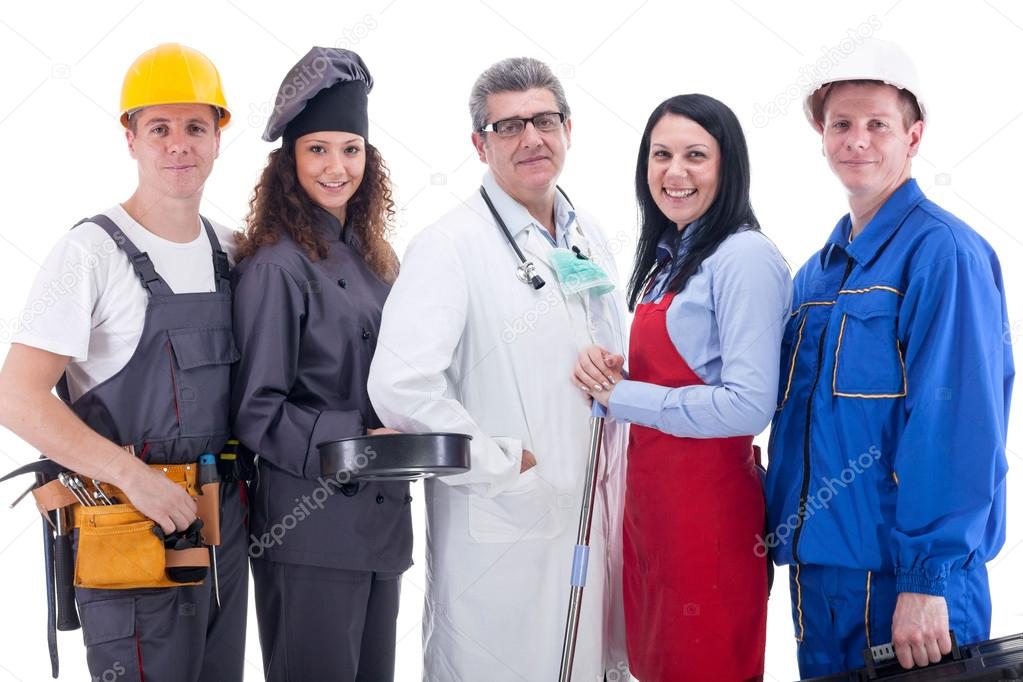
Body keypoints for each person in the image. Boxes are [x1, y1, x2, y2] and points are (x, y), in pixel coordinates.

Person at [367, 57, 629, 680]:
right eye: (508, 126)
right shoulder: (449, 245)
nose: (531, 138)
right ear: (479, 144)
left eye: (544, 120)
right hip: (506, 519)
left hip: (595, 514)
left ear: (569, 128)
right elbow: (400, 385)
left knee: (590, 659)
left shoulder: (589, 234)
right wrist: (504, 465)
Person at [765, 37, 1014, 677]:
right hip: (820, 582)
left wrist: (928, 579)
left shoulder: (944, 255)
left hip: (905, 588)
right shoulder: (816, 277)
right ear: (822, 136)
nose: (857, 141)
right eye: (841, 124)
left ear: (914, 136)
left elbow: (957, 426)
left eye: (878, 124)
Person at [0, 43, 247, 681]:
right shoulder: (89, 254)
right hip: (128, 526)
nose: (178, 145)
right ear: (130, 138)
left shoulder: (231, 250)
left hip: (221, 529)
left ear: (219, 138)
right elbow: (16, 397)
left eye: (196, 127)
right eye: (159, 128)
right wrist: (132, 477)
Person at [573, 94, 791, 681]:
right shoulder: (671, 257)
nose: (675, 172)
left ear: (728, 165)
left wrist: (622, 397)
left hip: (708, 522)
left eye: (696, 155)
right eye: (661, 155)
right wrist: (616, 376)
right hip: (653, 516)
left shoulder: (743, 257)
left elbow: (748, 405)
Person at [230, 47, 411, 682]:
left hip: (380, 523)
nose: (337, 167)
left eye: (351, 149)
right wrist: (358, 440)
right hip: (308, 529)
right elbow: (256, 411)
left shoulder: (376, 260)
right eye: (318, 150)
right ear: (290, 161)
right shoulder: (276, 266)